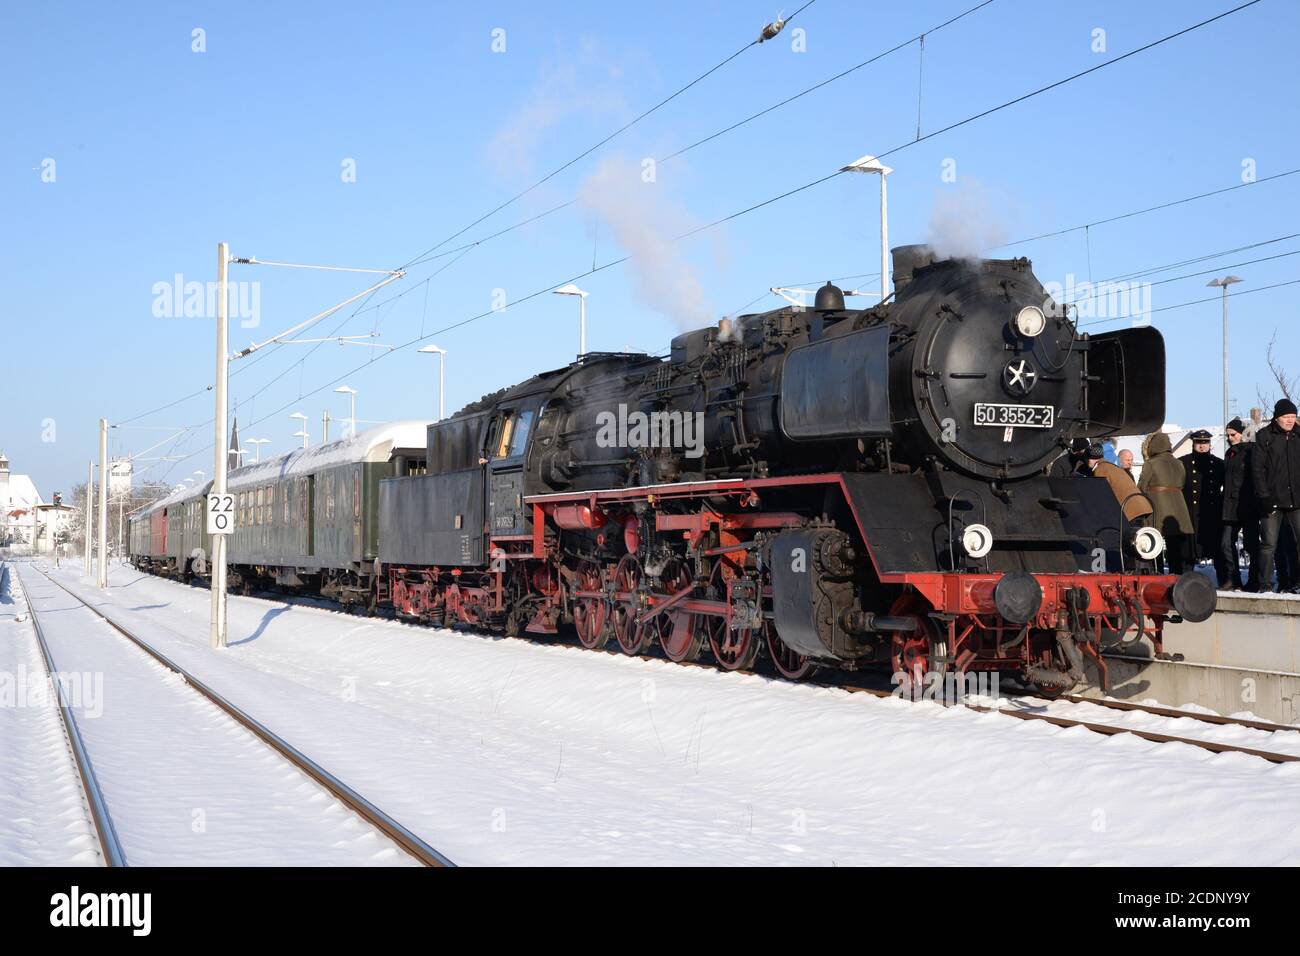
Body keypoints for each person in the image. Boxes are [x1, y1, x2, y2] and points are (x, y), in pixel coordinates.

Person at [1251, 398, 1300, 593]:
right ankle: (1264, 583)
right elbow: (1258, 469)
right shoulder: (1265, 436)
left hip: (1296, 500)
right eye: (1286, 417)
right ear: (1277, 418)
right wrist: (1264, 496)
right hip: (1272, 500)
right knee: (1269, 543)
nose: (1290, 420)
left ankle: (1296, 581)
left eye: (1293, 417)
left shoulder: (1298, 436)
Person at [1139, 431, 1193, 574]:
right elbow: (1182, 483)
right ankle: (1177, 574)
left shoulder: (1150, 464)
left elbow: (1141, 487)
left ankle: (1157, 573)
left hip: (1157, 507)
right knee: (1174, 546)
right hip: (1178, 507)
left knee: (1154, 543)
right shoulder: (1179, 463)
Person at [1180, 428, 1229, 584]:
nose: (1202, 446)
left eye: (1205, 443)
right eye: (1198, 443)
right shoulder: (1183, 463)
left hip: (1211, 512)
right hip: (1189, 512)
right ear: (1193, 444)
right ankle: (1185, 581)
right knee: (1189, 552)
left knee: (1217, 549)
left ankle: (1224, 580)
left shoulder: (1218, 463)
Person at [1221, 418, 1260, 591]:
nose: (1230, 438)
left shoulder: (1251, 452)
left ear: (1242, 433)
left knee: (1251, 545)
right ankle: (1233, 578)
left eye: (1233, 434)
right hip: (1230, 507)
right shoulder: (1230, 453)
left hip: (1247, 505)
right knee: (1226, 543)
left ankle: (1254, 580)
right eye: (1228, 435)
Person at [1086, 443, 1153, 523]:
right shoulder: (1111, 466)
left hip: (1130, 511)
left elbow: (1101, 496)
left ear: (1090, 459)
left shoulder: (1100, 469)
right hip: (1142, 507)